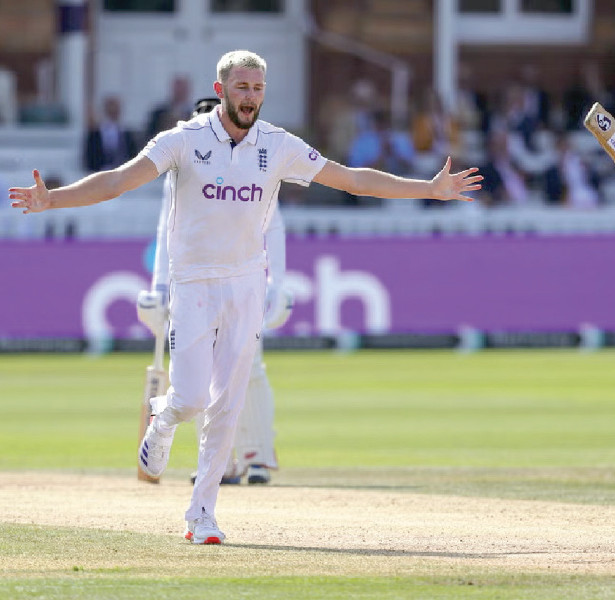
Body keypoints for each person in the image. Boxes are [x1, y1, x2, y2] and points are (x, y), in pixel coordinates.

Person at [9, 50, 482, 546]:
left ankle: (202, 514)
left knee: (228, 404)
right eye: (241, 88)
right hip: (193, 281)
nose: (250, 97)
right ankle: (164, 414)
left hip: (245, 282)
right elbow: (120, 180)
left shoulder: (277, 145)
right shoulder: (184, 140)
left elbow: (352, 179)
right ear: (221, 90)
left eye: (257, 89)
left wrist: (428, 189)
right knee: (191, 398)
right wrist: (53, 199)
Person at [136, 97, 288, 487]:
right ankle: (222, 462)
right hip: (196, 285)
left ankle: (256, 455)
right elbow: (166, 233)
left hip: (243, 282)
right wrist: (158, 289)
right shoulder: (183, 163)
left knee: (247, 371)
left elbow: (274, 227)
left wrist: (278, 283)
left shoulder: (256, 161)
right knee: (200, 380)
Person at [84, 95, 138, 172]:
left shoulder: (126, 134)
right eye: (110, 111)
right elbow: (89, 157)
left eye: (115, 110)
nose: (113, 113)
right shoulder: (94, 134)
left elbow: (132, 155)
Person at [145, 75, 193, 141]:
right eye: (178, 88)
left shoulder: (195, 114)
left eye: (183, 89)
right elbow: (150, 136)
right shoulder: (158, 114)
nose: (180, 91)